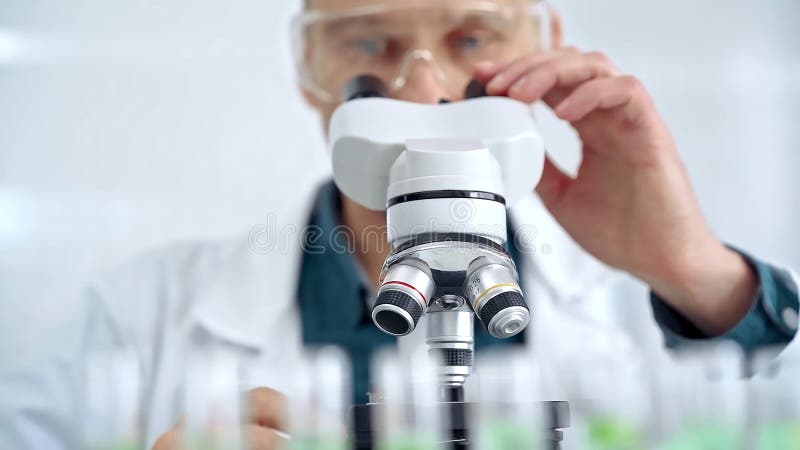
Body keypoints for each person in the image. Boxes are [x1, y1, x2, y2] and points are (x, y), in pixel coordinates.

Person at [2, 1, 798, 449]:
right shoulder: (138, 317)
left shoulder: (640, 301)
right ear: (308, 74)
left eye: (474, 39)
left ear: (547, 48)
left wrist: (696, 275)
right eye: (368, 45)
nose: (424, 89)